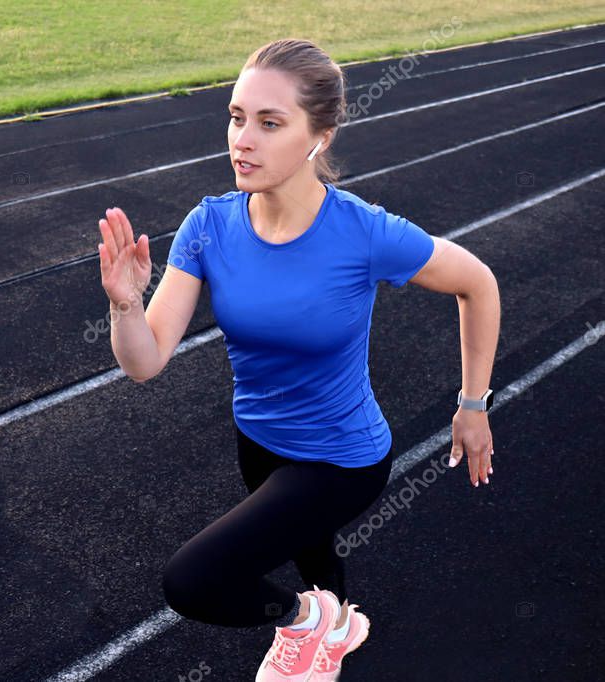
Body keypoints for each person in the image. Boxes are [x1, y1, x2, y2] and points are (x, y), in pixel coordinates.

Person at [97, 37, 500, 681]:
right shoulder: (210, 225)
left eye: (270, 123)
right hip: (257, 443)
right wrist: (124, 303)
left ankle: (309, 625)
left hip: (343, 457)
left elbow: (477, 282)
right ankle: (332, 624)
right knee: (315, 557)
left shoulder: (364, 231)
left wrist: (473, 405)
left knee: (195, 581)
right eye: (236, 117)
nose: (243, 140)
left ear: (319, 136)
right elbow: (145, 363)